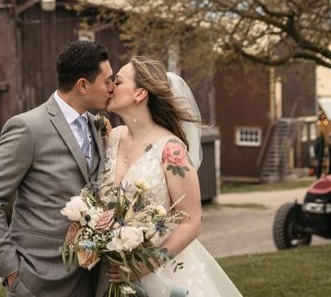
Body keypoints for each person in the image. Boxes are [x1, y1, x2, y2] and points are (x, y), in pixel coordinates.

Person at [0, 41, 115, 297]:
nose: (112, 88)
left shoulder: (98, 126)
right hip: (37, 278)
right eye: (107, 81)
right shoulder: (28, 128)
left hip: (90, 277)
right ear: (83, 85)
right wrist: (11, 271)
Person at [98, 57, 242, 297]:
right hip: (112, 272)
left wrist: (143, 266)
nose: (111, 86)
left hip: (162, 274)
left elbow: (191, 222)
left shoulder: (171, 150)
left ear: (140, 93)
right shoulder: (112, 138)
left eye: (119, 82)